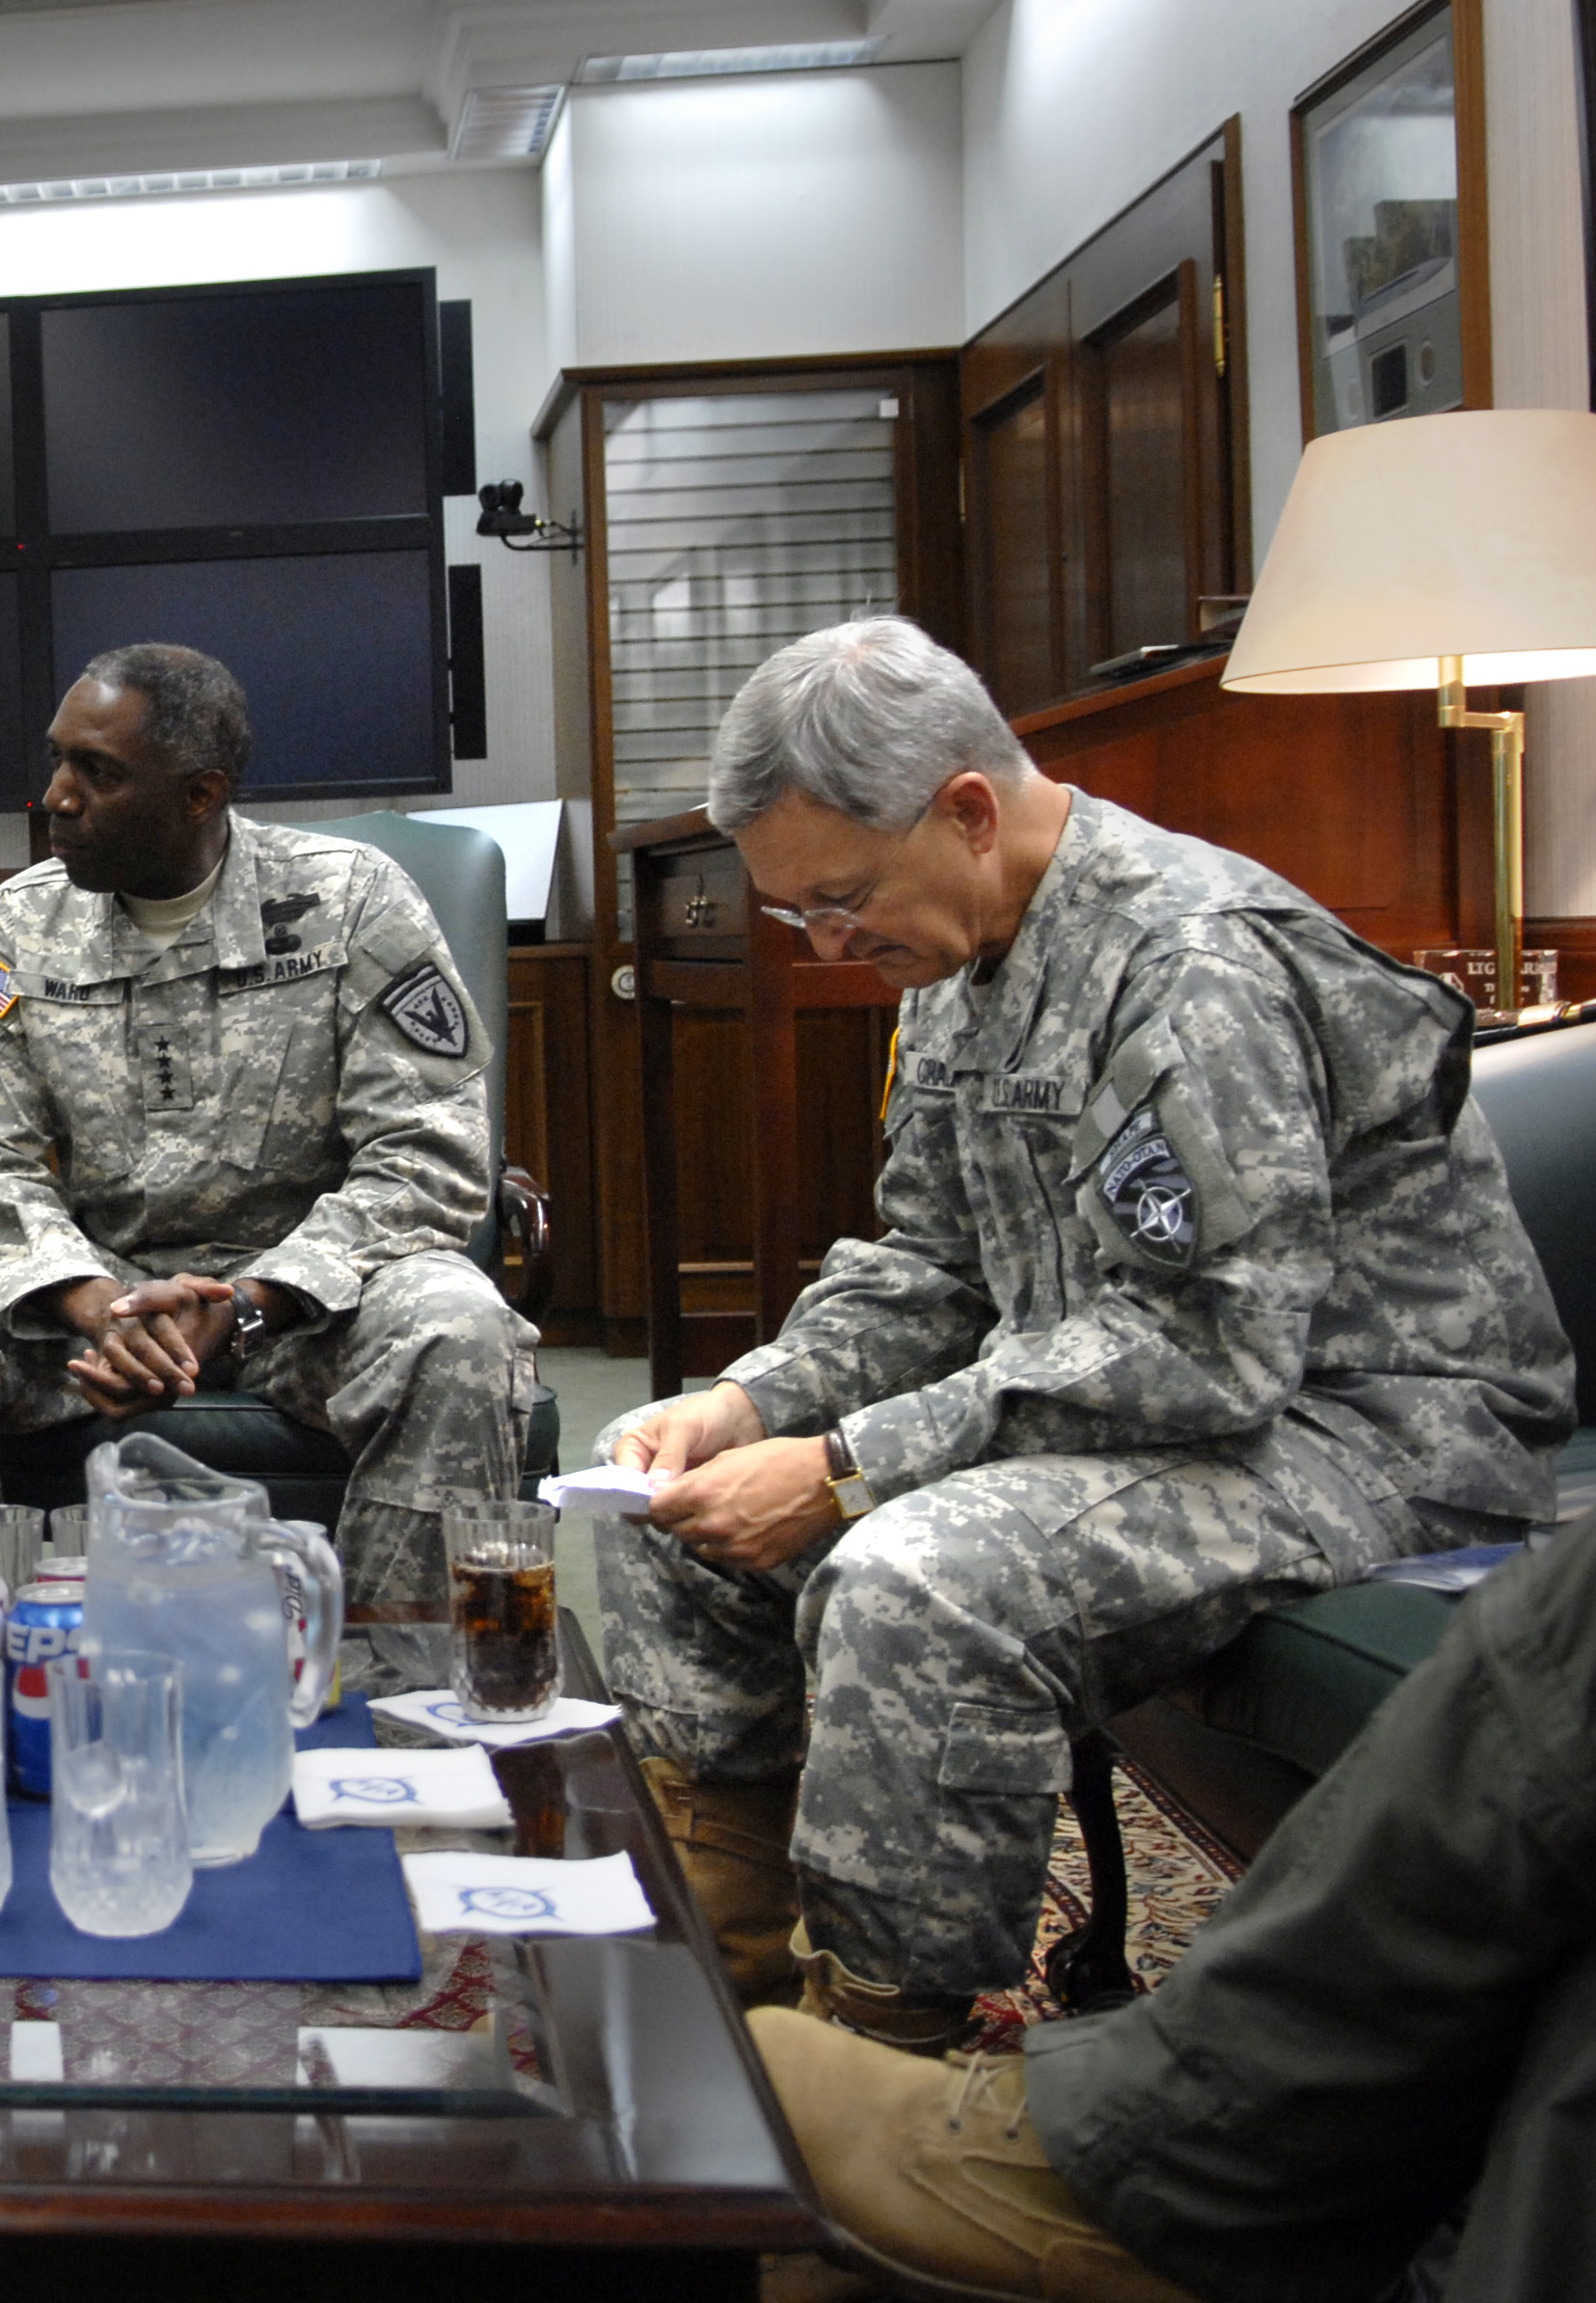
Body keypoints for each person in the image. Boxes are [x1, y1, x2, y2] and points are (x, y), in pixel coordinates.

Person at [598, 619, 1571, 2049]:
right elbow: (927, 1265)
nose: (822, 944)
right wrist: (748, 1407)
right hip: (1148, 1411)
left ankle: (890, 2053)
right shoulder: (955, 959)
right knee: (660, 1511)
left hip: (1363, 1431)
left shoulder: (1183, 965)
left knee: (914, 1573)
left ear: (967, 811)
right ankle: (724, 1998)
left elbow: (1207, 1352)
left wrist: (849, 1464)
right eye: (794, 914)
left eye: (837, 899)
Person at [0, 641, 532, 1621]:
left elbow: (430, 1157)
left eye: (97, 773)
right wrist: (98, 1303)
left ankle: (391, 1671)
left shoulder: (349, 899)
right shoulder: (17, 928)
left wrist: (250, 1299)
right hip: (96, 1303)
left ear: (200, 795)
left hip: (311, 1305)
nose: (57, 796)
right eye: (58, 760)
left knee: (458, 1327)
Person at [750, 1519, 1596, 2303]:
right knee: (689, 1479)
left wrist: (845, 1463)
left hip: (1347, 1422)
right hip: (1108, 1420)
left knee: (911, 1579)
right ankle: (721, 1980)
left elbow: (1194, 1371)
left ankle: (1172, 2164)